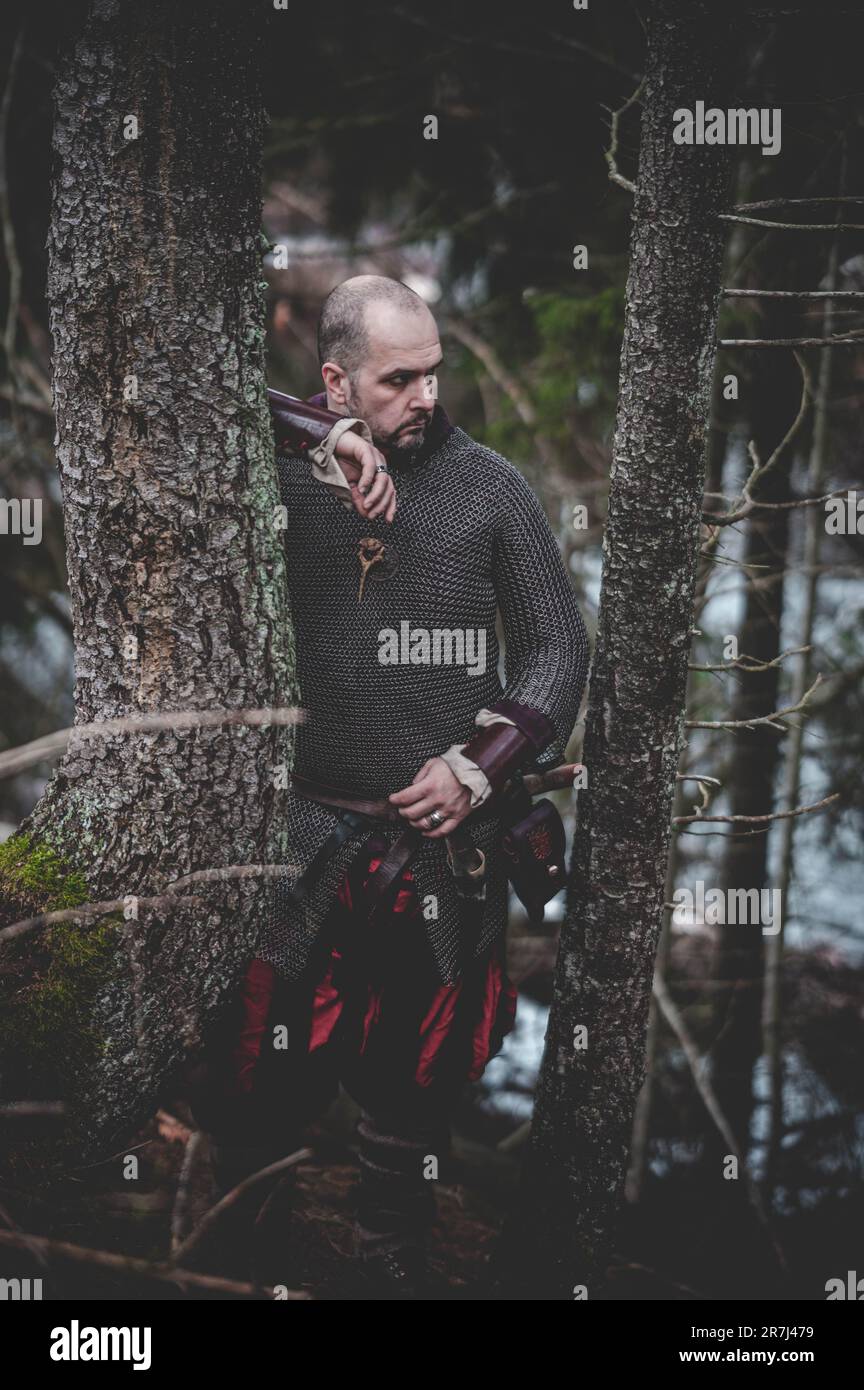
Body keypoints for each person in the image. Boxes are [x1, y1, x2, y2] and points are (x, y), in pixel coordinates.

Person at [187, 275, 590, 1298]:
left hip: (441, 846)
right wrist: (318, 441)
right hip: (302, 832)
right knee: (259, 1075)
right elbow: (198, 392)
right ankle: (241, 1256)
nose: (425, 396)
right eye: (397, 379)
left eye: (434, 373)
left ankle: (390, 1264)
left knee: (417, 1087)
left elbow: (555, 651)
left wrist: (476, 767)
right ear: (336, 381)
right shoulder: (273, 476)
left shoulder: (488, 487)